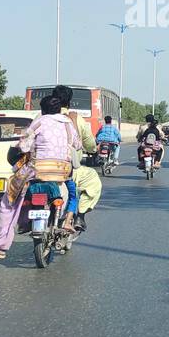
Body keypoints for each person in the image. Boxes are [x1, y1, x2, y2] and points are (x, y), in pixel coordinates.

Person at [0, 95, 78, 261]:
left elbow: (25, 145)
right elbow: (77, 145)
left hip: (38, 170)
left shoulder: (39, 122)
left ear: (43, 110)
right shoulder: (69, 124)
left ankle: (0, 246)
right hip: (63, 171)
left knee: (9, 200)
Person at [53, 84, 101, 230]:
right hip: (66, 169)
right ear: (69, 101)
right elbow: (86, 145)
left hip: (39, 168)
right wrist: (93, 149)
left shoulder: (40, 117)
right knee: (92, 180)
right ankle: (79, 216)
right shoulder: (75, 119)